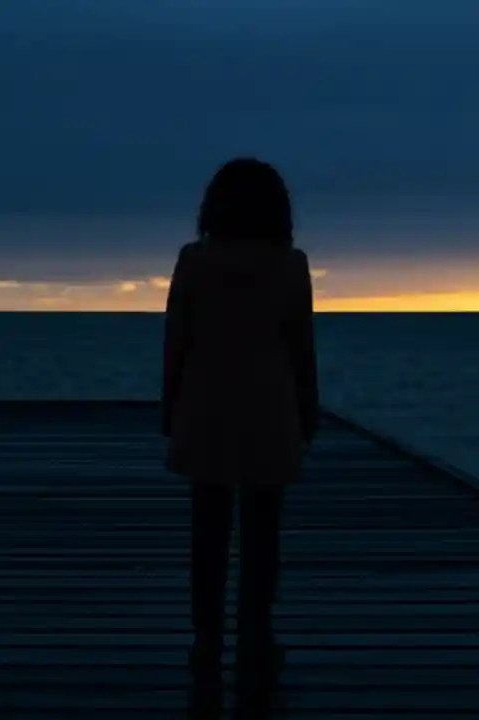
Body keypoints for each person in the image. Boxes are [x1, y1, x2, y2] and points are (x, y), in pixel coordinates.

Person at [161, 158, 318, 701]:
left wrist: (169, 406)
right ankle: (255, 633)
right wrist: (308, 410)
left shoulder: (193, 262)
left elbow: (176, 342)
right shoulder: (291, 266)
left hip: (205, 409)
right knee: (261, 535)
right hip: (270, 412)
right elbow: (302, 351)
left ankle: (206, 639)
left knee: (206, 533)